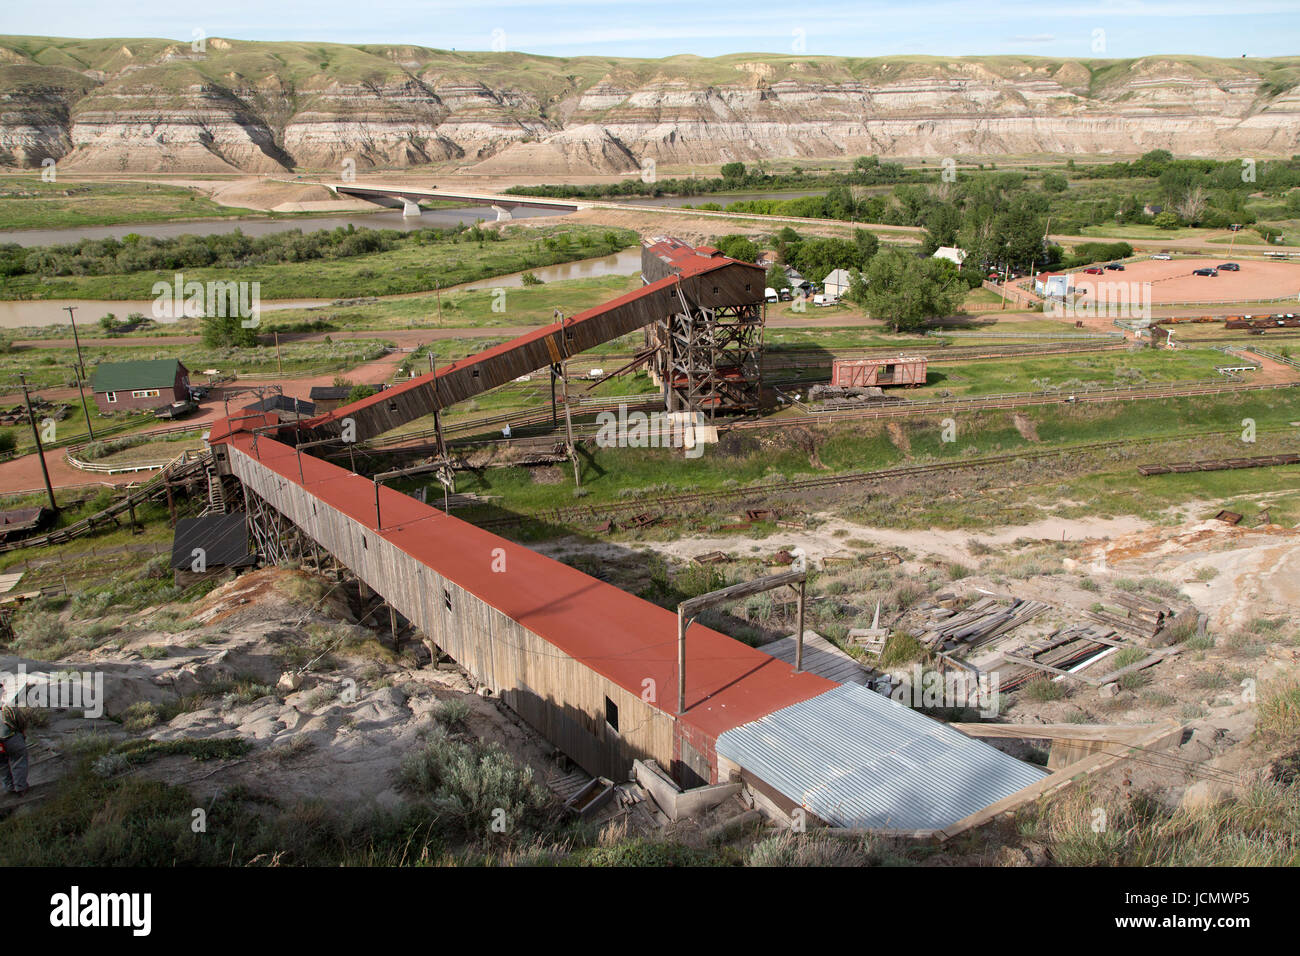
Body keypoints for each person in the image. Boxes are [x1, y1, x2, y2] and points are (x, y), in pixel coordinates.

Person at [0, 702, 29, 796]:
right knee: (19, 761)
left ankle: (9, 788)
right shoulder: (7, 706)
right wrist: (22, 733)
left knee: (2, 765)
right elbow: (20, 720)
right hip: (12, 738)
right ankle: (20, 787)